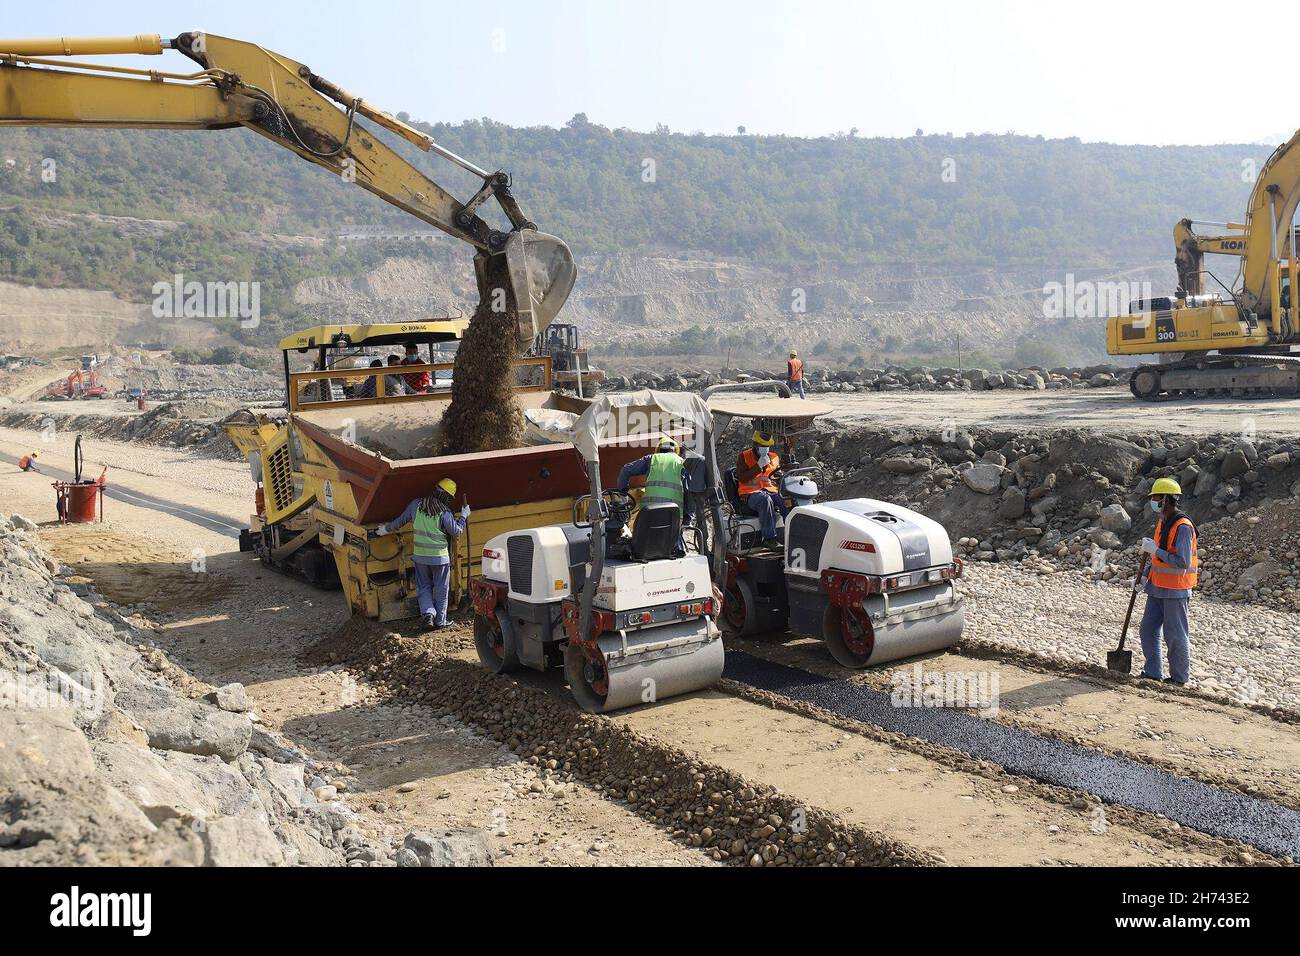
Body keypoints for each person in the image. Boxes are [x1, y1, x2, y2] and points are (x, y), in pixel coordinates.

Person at [375, 478, 470, 629]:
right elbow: (456, 532)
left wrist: (384, 530)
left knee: (424, 586)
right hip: (440, 559)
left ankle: (428, 614)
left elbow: (400, 521)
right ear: (448, 497)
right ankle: (440, 621)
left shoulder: (416, 505)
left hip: (420, 557)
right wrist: (464, 516)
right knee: (441, 588)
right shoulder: (445, 513)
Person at [1136, 477, 1198, 686]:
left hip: (1175, 590)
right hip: (1156, 587)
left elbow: (1182, 561)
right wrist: (1145, 575)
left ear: (1166, 500)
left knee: (1175, 635)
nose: (1153, 501)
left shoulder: (1183, 527)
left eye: (1156, 498)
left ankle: (1179, 679)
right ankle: (1153, 672)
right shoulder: (1164, 521)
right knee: (1147, 628)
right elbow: (1157, 558)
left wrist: (1155, 550)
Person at [618, 437, 690, 551]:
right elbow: (688, 492)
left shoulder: (651, 459)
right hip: (674, 515)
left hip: (649, 514)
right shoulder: (682, 463)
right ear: (675, 450)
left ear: (658, 449)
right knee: (674, 547)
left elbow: (625, 470)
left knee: (645, 546)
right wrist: (687, 517)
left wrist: (623, 494)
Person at [735, 431, 785, 546]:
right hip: (750, 494)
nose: (765, 448)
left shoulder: (774, 457)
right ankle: (770, 538)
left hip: (771, 491)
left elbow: (776, 476)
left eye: (767, 446)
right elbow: (742, 478)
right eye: (762, 446)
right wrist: (758, 466)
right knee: (764, 500)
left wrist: (780, 476)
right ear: (755, 445)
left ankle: (793, 533)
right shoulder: (743, 457)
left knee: (786, 499)